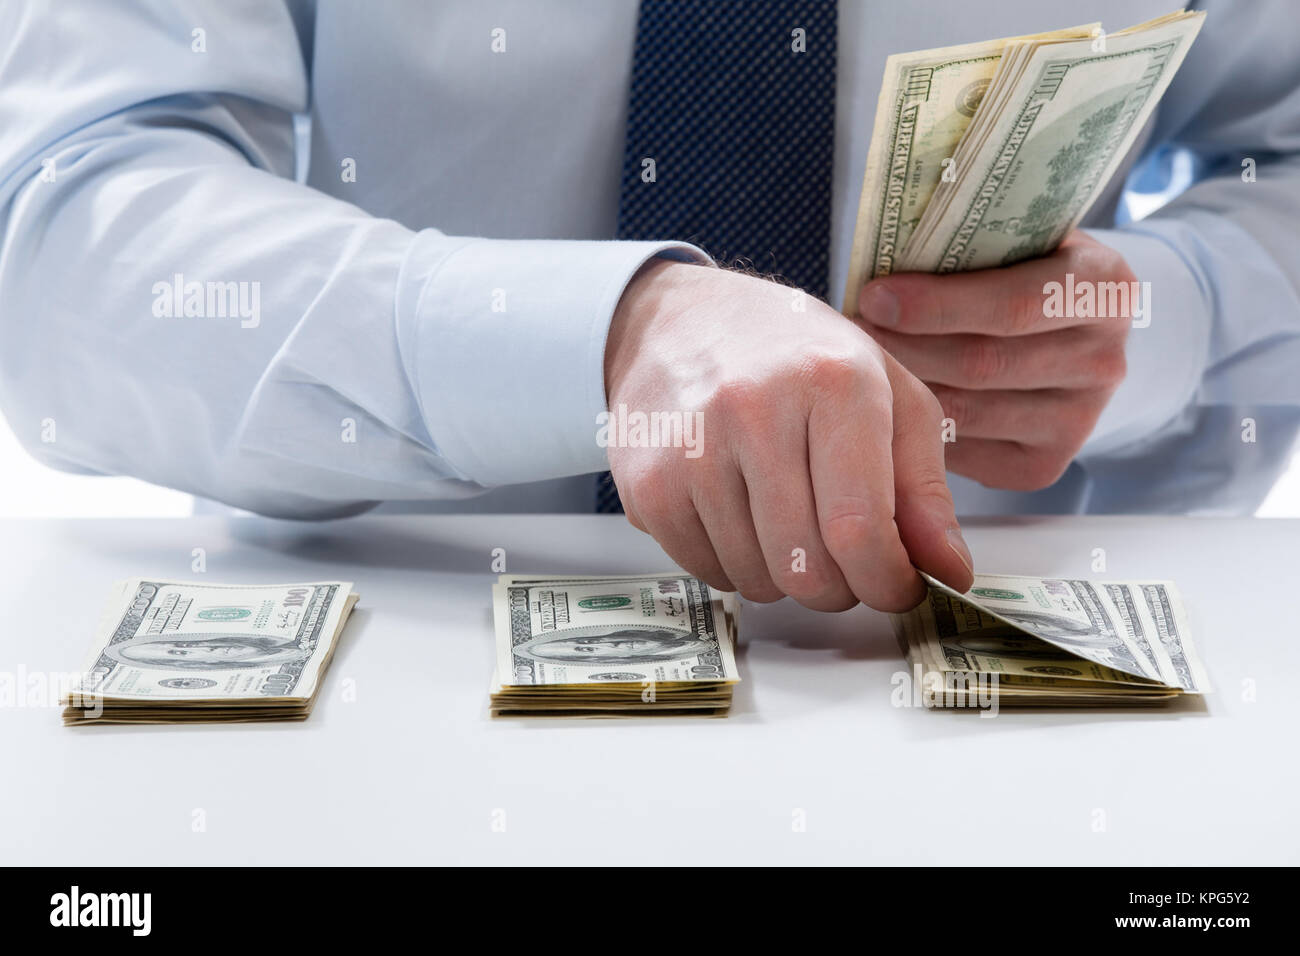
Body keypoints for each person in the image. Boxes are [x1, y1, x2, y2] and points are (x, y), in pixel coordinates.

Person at [1, 1, 1297, 615]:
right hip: (395, 672)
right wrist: (608, 333)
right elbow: (63, 231)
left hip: (980, 685)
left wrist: (1159, 317)